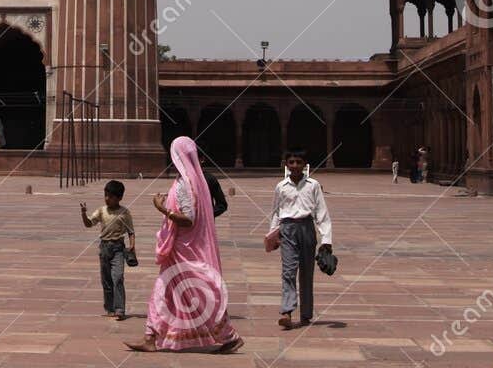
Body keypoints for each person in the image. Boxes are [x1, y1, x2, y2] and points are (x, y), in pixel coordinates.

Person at [126, 136, 243, 354]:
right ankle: (151, 336)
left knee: (184, 295)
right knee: (172, 294)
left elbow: (188, 219)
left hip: (183, 251)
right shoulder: (196, 183)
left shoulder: (184, 185)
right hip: (185, 250)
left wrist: (162, 209)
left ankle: (228, 336)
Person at [266, 149, 332, 330]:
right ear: (286, 165)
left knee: (306, 272)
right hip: (287, 229)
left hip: (307, 228)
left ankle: (306, 313)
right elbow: (276, 212)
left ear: (305, 165)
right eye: (291, 162)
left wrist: (326, 239)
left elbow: (321, 212)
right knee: (288, 271)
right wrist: (273, 235)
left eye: (298, 162)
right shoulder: (281, 187)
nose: (295, 166)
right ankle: (287, 311)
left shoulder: (313, 185)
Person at [80, 179, 136, 321]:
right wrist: (83, 213)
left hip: (118, 248)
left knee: (117, 277)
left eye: (110, 197)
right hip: (104, 248)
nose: (107, 199)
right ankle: (110, 308)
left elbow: (131, 231)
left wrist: (132, 246)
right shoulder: (101, 211)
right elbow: (89, 224)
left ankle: (120, 309)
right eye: (105, 195)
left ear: (119, 198)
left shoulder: (124, 213)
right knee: (106, 280)